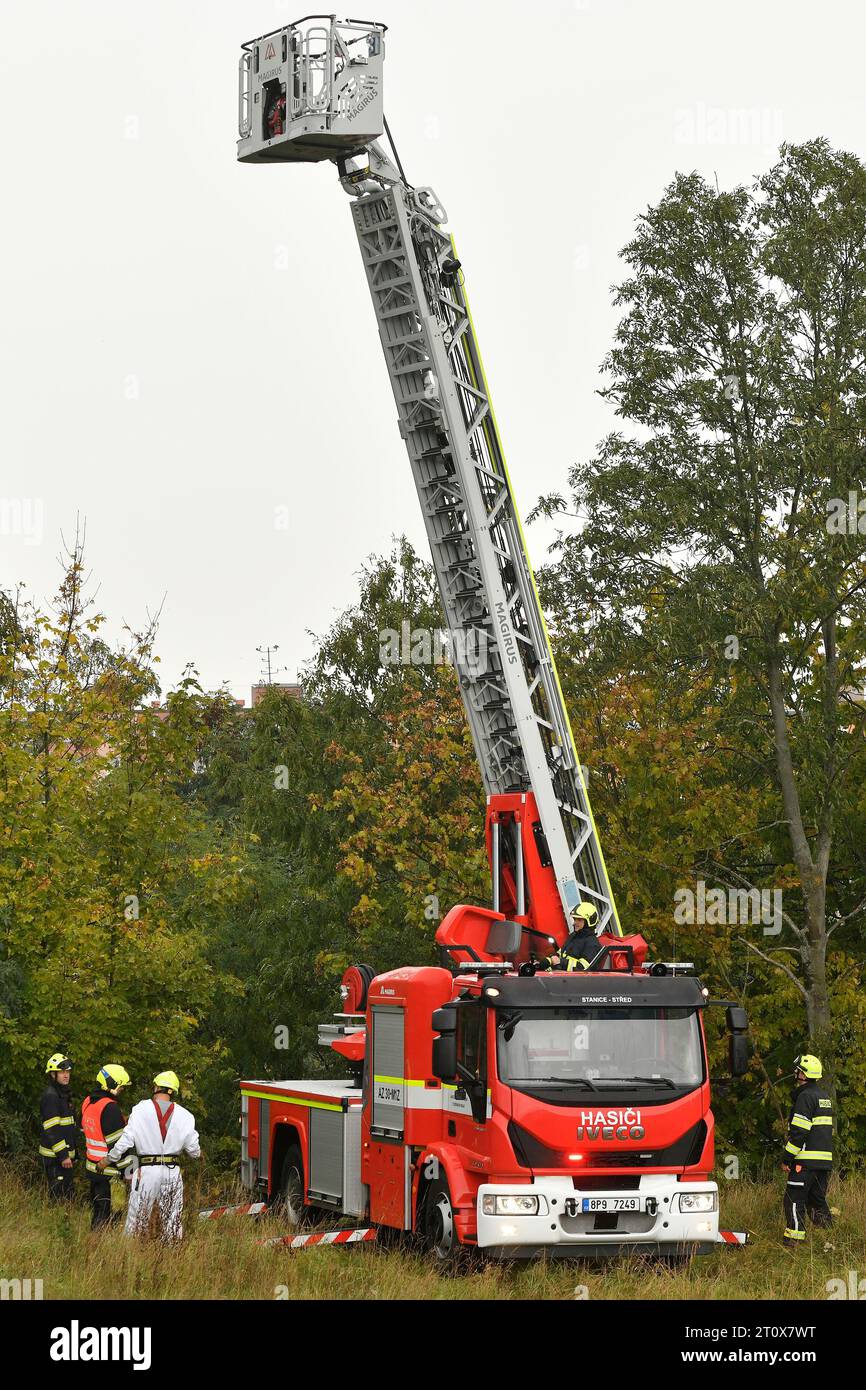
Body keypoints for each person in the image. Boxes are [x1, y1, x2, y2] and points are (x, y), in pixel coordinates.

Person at [102, 1070, 201, 1241]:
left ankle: (130, 1255)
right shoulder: (186, 1116)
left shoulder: (140, 1109)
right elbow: (194, 1151)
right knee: (172, 1220)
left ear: (156, 1087)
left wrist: (109, 1158)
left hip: (147, 1171)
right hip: (172, 1171)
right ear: (173, 1091)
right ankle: (172, 1255)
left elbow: (125, 1140)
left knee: (136, 1218)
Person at [783, 1052, 834, 1246]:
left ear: (803, 1075)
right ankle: (830, 1236)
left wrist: (786, 1158)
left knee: (794, 1200)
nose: (795, 1073)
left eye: (797, 1070)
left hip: (804, 1163)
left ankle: (793, 1242)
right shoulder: (823, 1097)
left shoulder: (805, 1097)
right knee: (816, 1200)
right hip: (823, 1162)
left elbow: (799, 1132)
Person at [81, 1065, 133, 1229]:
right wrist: (129, 1171)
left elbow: (88, 1129)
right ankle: (104, 1250)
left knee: (97, 1213)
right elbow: (118, 1145)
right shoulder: (110, 1107)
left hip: (93, 1169)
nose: (122, 1090)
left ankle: (95, 1245)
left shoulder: (88, 1101)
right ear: (112, 1084)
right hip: (110, 1173)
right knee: (110, 1217)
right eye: (121, 1086)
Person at [39, 1053, 78, 1200]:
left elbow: (68, 1125)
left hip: (64, 1157)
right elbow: (52, 1129)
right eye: (62, 1072)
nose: (66, 1075)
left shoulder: (63, 1093)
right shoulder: (51, 1096)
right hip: (56, 1157)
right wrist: (63, 1155)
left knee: (67, 1195)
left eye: (67, 1072)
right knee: (59, 1197)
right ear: (52, 1074)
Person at [543, 902, 606, 972]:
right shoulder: (573, 936)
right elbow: (560, 954)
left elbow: (583, 969)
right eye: (575, 919)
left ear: (589, 922)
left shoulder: (592, 944)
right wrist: (549, 960)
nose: (574, 923)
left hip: (572, 981)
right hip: (559, 975)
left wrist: (561, 962)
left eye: (579, 920)